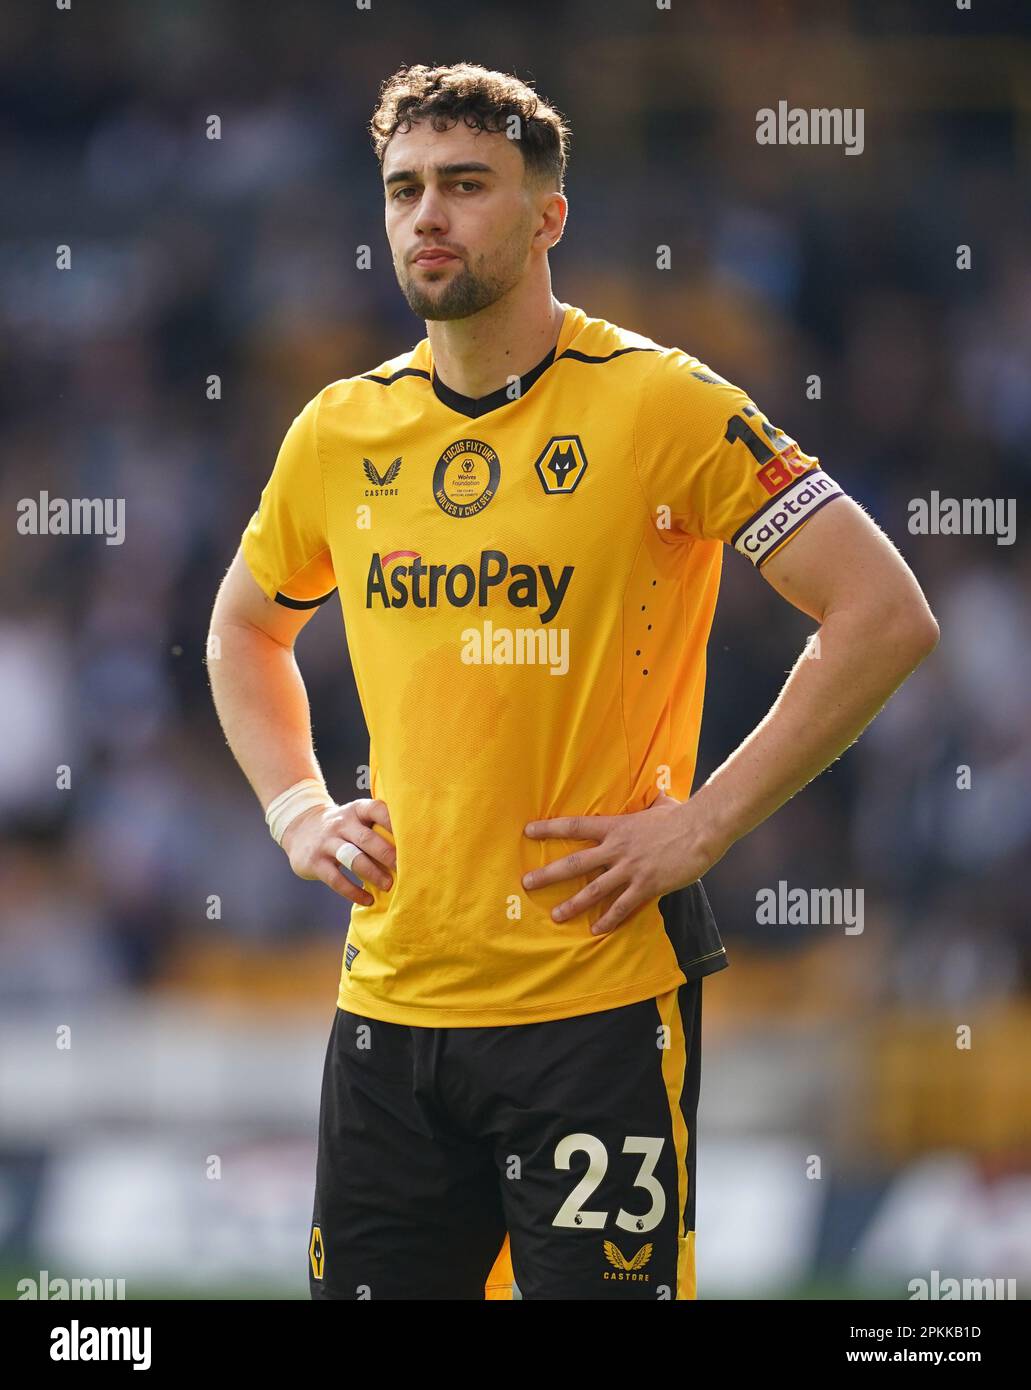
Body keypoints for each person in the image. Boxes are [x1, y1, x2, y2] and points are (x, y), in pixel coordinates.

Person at [207, 62, 939, 1301]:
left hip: (592, 1011)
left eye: (463, 185)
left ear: (547, 216)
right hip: (390, 1008)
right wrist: (298, 812)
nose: (425, 216)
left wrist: (700, 824)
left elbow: (882, 615)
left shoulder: (662, 404)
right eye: (402, 190)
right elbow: (241, 632)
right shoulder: (337, 430)